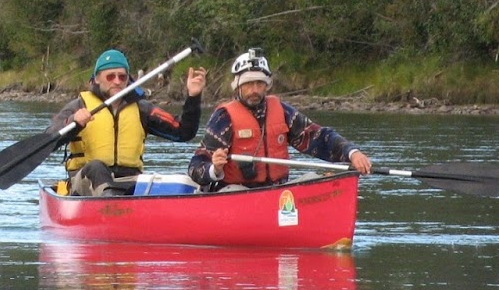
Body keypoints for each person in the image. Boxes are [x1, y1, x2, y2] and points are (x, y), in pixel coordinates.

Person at [188, 47, 372, 190]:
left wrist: (351, 153)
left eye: (259, 83)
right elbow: (195, 167)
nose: (254, 90)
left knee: (320, 179)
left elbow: (318, 138)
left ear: (266, 86)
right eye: (249, 84)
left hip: (278, 192)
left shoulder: (282, 112)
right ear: (237, 86)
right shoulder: (224, 117)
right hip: (235, 192)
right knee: (232, 189)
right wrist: (215, 169)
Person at [50, 48, 208, 196]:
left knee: (166, 183)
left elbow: (184, 132)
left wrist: (193, 98)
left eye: (122, 76)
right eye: (110, 76)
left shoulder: (141, 108)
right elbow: (50, 138)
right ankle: (111, 202)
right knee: (96, 166)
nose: (117, 81)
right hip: (85, 182)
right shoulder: (79, 106)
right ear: (97, 79)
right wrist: (74, 122)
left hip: (128, 181)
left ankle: (119, 204)